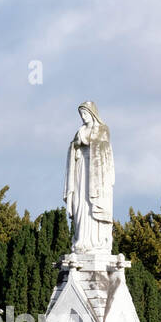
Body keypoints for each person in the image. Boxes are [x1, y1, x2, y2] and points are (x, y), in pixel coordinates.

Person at [65, 101, 115, 252]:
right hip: (81, 170)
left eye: (85, 113)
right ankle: (82, 240)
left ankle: (96, 241)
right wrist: (75, 145)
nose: (83, 117)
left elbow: (104, 148)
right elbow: (72, 148)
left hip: (96, 175)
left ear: (93, 114)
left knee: (92, 204)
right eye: (81, 114)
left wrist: (85, 142)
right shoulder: (79, 131)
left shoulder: (102, 129)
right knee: (80, 203)